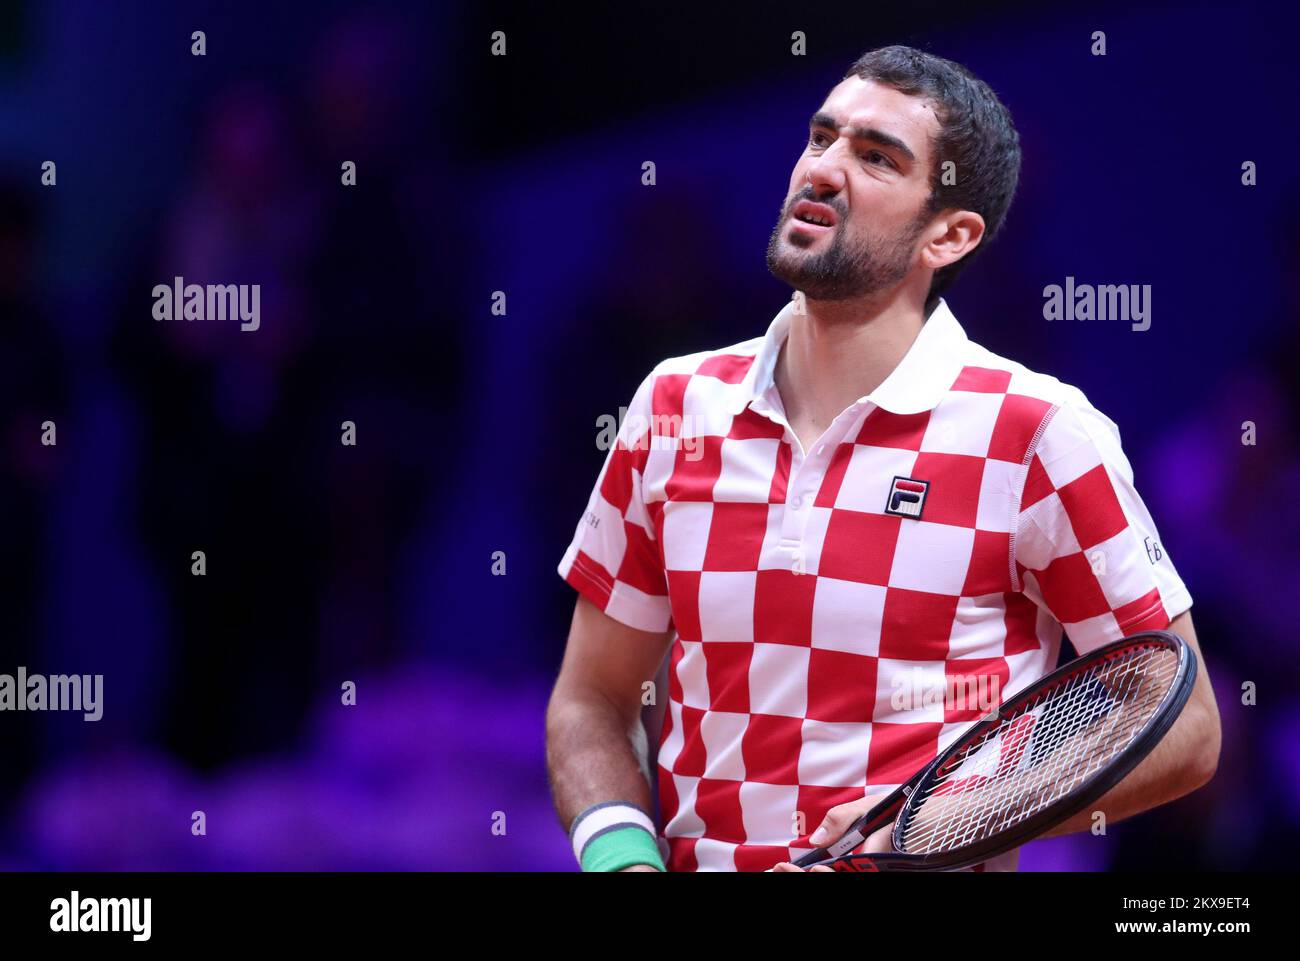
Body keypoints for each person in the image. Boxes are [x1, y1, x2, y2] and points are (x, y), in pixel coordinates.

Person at [546, 45, 1220, 872]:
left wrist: (951, 818)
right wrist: (622, 861)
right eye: (821, 138)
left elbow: (1185, 727)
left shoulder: (1039, 433)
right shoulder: (673, 404)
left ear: (951, 234)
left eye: (875, 157)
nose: (824, 170)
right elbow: (593, 699)